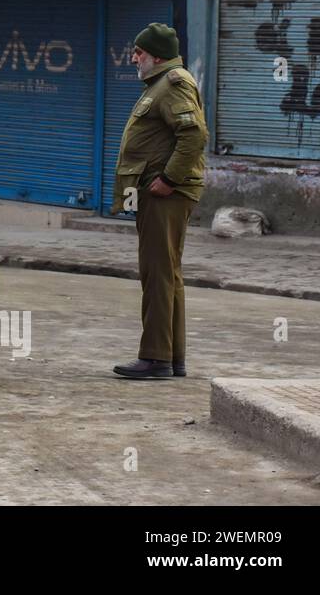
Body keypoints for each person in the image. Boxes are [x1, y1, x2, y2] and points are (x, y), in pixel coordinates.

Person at [111, 23, 207, 380]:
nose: (134, 57)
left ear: (158, 56)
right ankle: (172, 356)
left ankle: (154, 358)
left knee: (157, 273)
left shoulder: (173, 83)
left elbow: (194, 134)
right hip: (159, 191)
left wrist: (168, 179)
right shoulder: (161, 84)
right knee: (167, 273)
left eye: (140, 52)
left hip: (165, 193)